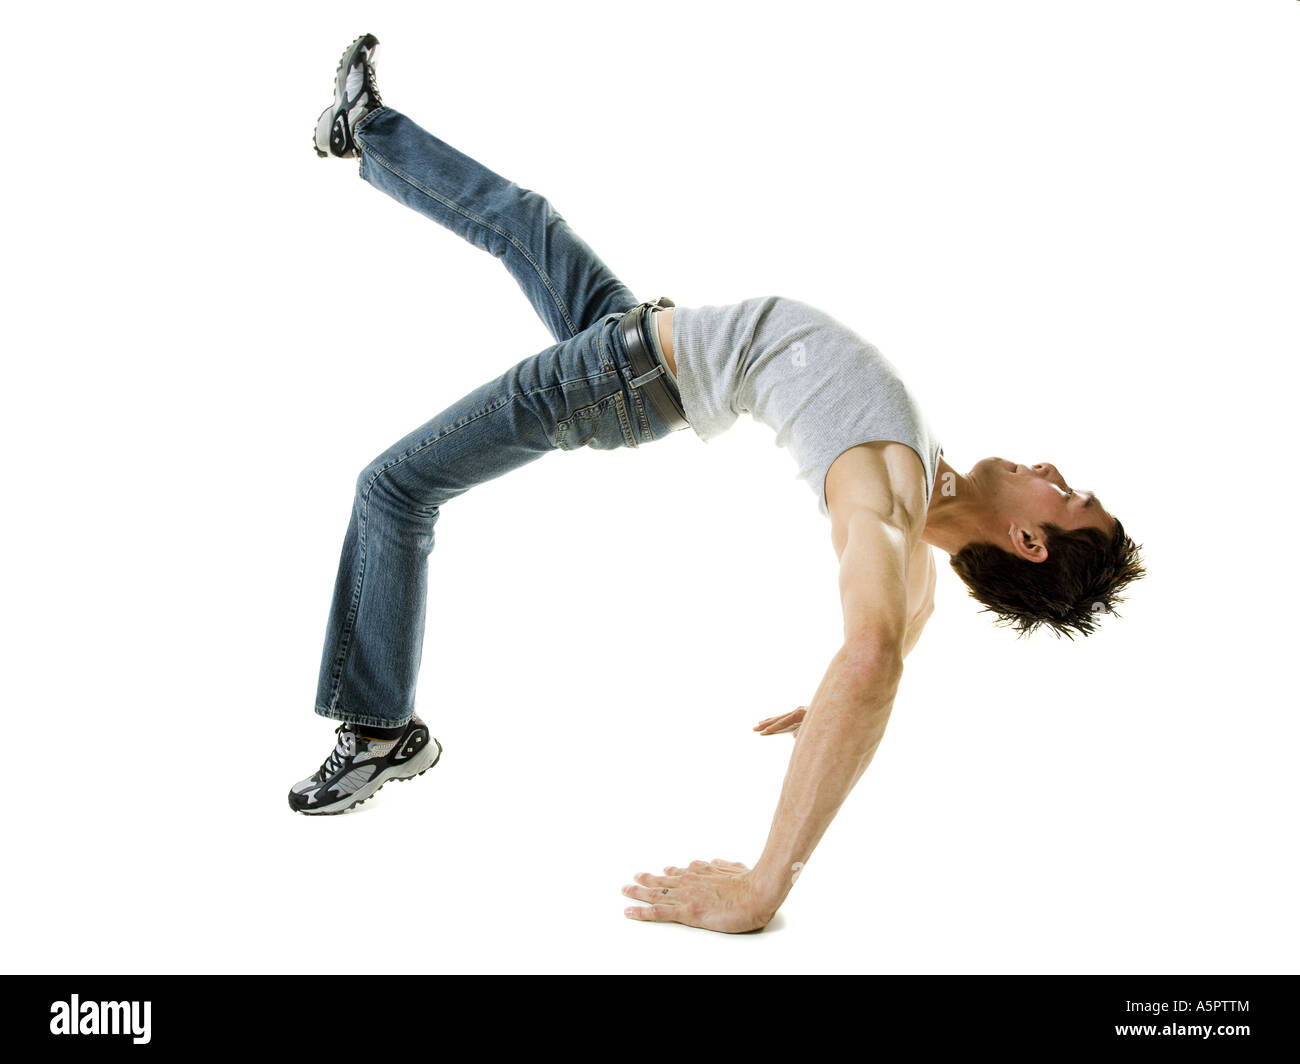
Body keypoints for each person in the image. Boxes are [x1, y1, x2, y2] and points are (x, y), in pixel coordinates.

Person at [289, 35, 1146, 933]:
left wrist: (765, 884)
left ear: (1030, 540)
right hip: (642, 347)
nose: (1053, 473)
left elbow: (874, 658)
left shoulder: (888, 491)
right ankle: (364, 132)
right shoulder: (923, 517)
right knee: (527, 223)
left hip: (612, 378)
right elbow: (895, 637)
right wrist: (828, 707)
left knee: (392, 488)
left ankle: (380, 732)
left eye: (1068, 494)